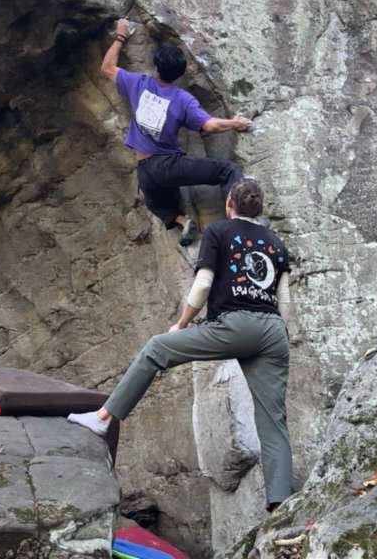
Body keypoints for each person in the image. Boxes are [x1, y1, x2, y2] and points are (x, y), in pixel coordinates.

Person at [68, 178, 294, 511]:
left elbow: (203, 285)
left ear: (230, 202)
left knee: (157, 348)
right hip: (273, 331)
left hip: (235, 324)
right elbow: (284, 297)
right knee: (274, 422)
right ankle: (281, 504)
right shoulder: (276, 242)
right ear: (258, 208)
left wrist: (182, 324)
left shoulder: (219, 232)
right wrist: (280, 333)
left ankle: (103, 417)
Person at [102, 17, 252, 245]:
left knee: (159, 204)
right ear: (180, 73)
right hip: (168, 166)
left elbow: (107, 68)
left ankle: (182, 221)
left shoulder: (138, 84)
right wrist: (235, 123)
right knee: (229, 170)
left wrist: (121, 35)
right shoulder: (182, 99)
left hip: (146, 172)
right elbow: (210, 125)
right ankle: (240, 221)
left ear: (155, 67)